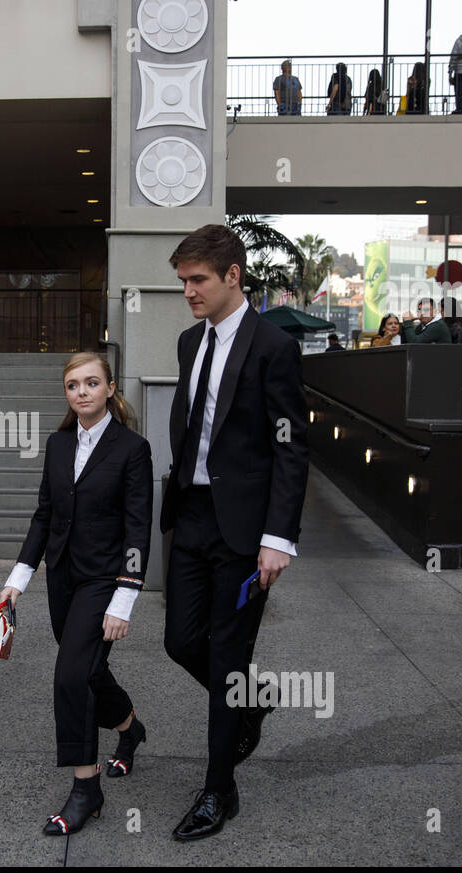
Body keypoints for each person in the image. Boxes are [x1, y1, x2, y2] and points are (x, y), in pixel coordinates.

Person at [160, 225, 309, 841]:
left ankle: (218, 790)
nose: (189, 291)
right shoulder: (189, 342)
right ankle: (249, 705)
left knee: (227, 658)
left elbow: (290, 447)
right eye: (183, 282)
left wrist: (279, 536)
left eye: (198, 280)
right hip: (192, 517)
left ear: (232, 276)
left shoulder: (273, 346)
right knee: (177, 640)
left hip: (247, 532)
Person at [0, 353, 152, 837]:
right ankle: (130, 730)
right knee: (89, 669)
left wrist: (124, 597)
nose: (81, 392)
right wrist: (17, 580)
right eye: (72, 385)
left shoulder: (133, 448)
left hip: (104, 580)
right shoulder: (58, 444)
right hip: (62, 577)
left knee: (69, 677)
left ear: (109, 388)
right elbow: (44, 515)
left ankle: (86, 788)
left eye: (91, 383)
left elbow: (137, 529)